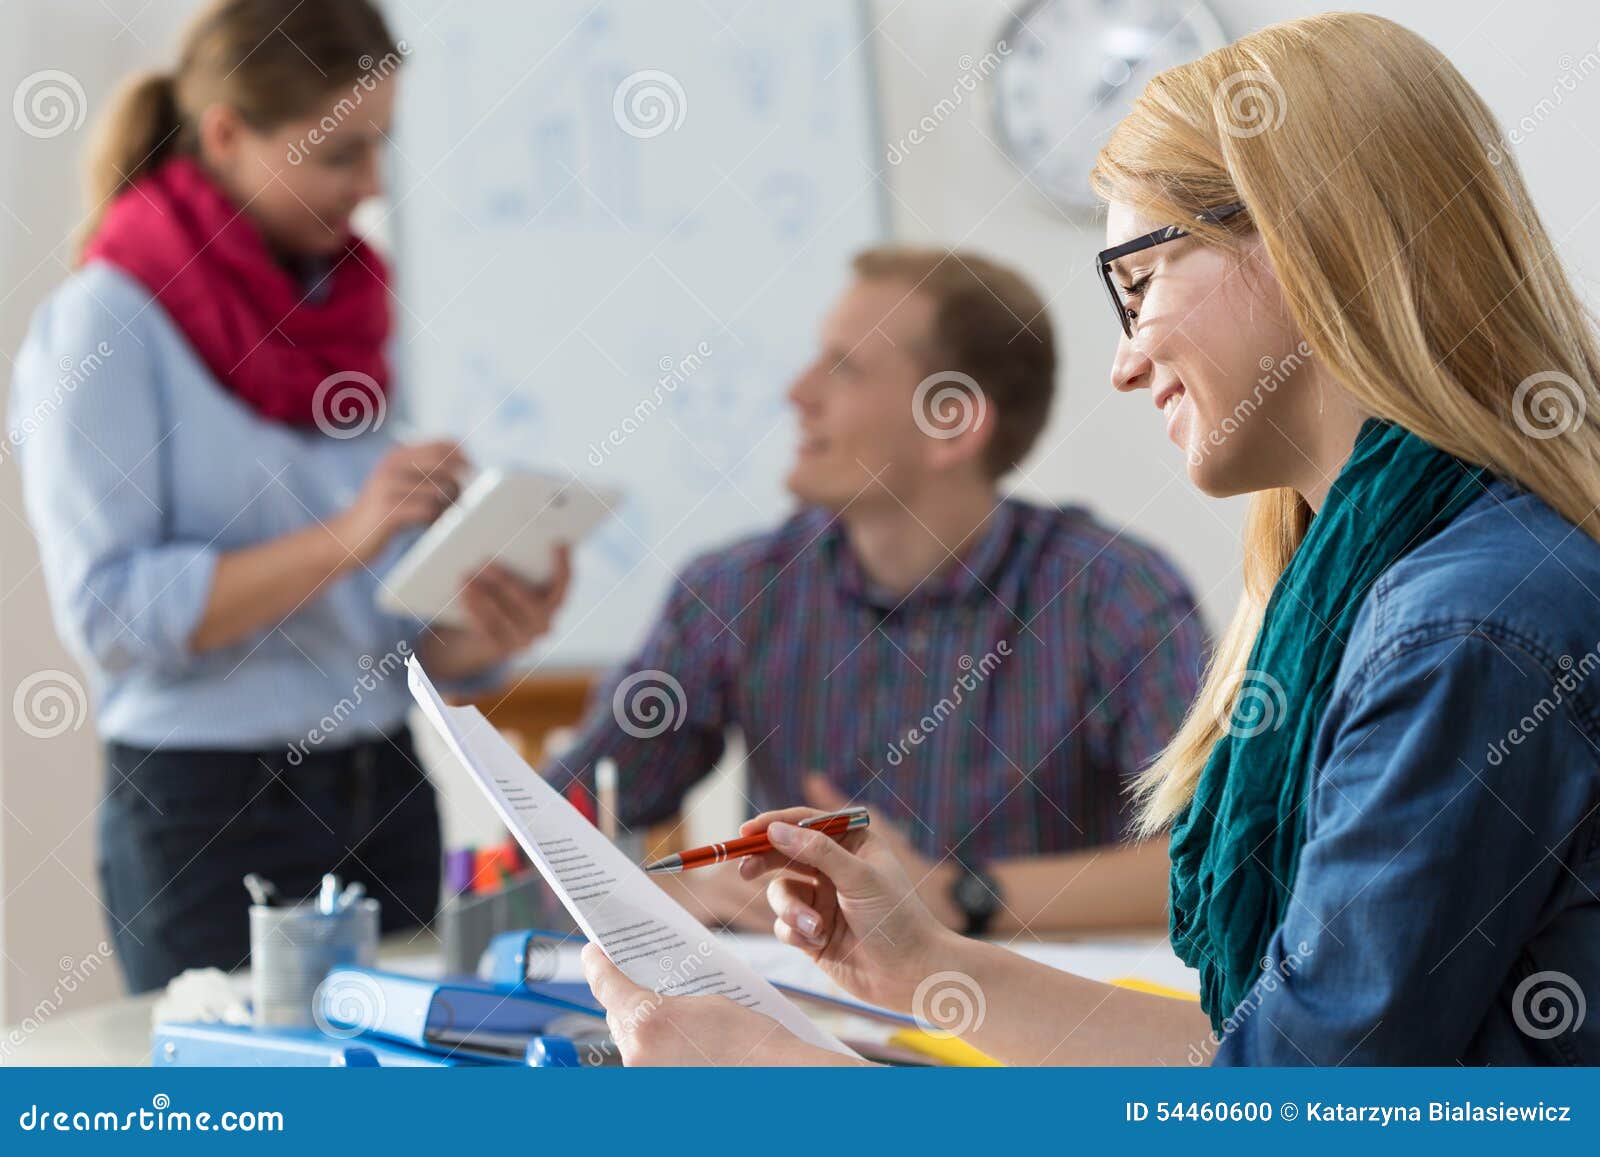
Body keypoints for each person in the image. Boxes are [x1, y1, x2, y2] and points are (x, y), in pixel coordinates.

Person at [579, 12, 1600, 1065]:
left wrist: (780, 1078)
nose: (1123, 364)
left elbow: (1289, 1110)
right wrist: (924, 968)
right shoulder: (1418, 588)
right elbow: (1266, 1053)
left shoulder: (1460, 629)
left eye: (1139, 283)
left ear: (1302, 243)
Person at [10, 0, 566, 993]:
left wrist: (476, 627)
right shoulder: (104, 324)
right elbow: (111, 617)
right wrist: (350, 535)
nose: (372, 184)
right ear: (227, 134)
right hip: (210, 814)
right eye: (340, 153)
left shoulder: (346, 307)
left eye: (381, 146)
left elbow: (366, 623)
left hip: (385, 786)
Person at [549, 246, 1208, 937]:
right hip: (803, 995)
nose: (798, 393)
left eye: (844, 367)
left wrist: (955, 897)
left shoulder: (1114, 593)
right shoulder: (733, 590)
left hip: (1028, 998)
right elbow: (561, 822)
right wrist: (681, 894)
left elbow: (1220, 857)